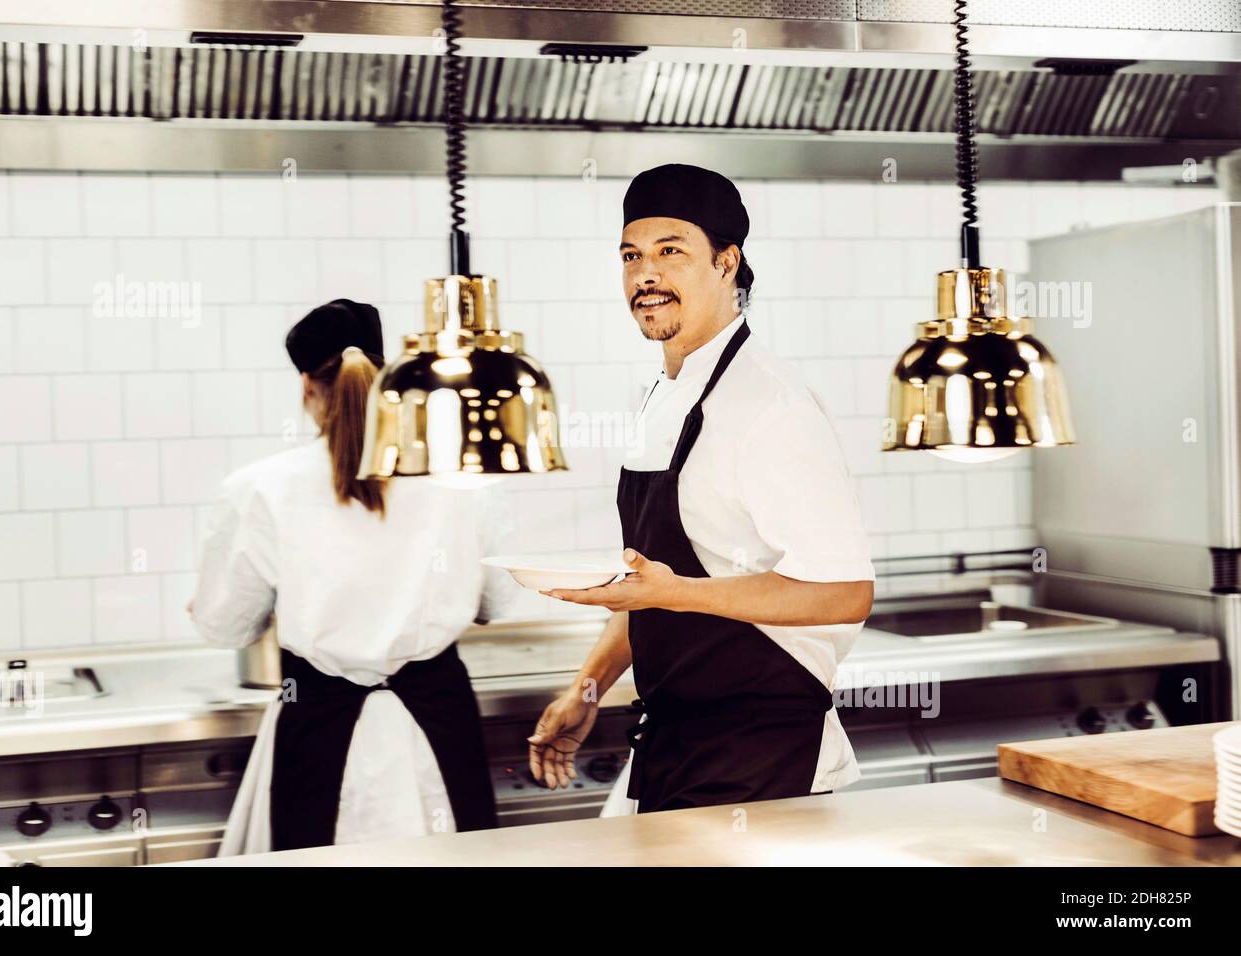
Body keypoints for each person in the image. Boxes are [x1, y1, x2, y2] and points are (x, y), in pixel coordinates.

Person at [527, 164, 875, 814]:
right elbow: (651, 589)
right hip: (675, 743)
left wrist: (675, 593)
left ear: (726, 263)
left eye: (670, 252)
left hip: (764, 759)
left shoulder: (772, 405)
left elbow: (847, 592)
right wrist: (590, 689)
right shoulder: (663, 396)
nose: (645, 275)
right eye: (631, 256)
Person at [191, 298, 517, 853]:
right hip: (439, 727)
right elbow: (497, 601)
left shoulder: (259, 489)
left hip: (315, 727)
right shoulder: (460, 477)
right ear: (388, 379)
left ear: (305, 389)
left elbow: (223, 626)